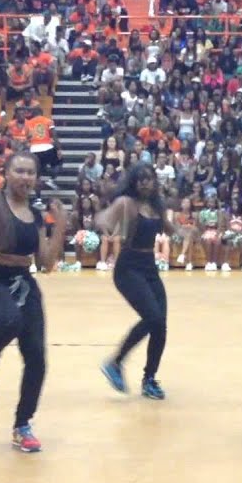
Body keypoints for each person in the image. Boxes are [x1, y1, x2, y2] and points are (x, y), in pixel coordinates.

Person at [0, 153, 66, 453]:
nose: (25, 176)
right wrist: (9, 258)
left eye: (30, 172)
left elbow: (45, 264)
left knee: (37, 360)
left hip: (23, 283)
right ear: (7, 174)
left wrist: (59, 227)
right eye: (19, 170)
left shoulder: (34, 215)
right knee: (9, 320)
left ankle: (22, 425)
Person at [96, 163, 177, 399]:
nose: (144, 182)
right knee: (152, 317)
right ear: (133, 181)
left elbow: (170, 229)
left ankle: (149, 379)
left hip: (149, 266)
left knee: (160, 326)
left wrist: (186, 232)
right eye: (139, 178)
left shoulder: (156, 206)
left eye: (148, 178)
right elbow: (105, 218)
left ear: (154, 181)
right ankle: (115, 363)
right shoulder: (125, 203)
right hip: (128, 268)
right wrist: (103, 222)